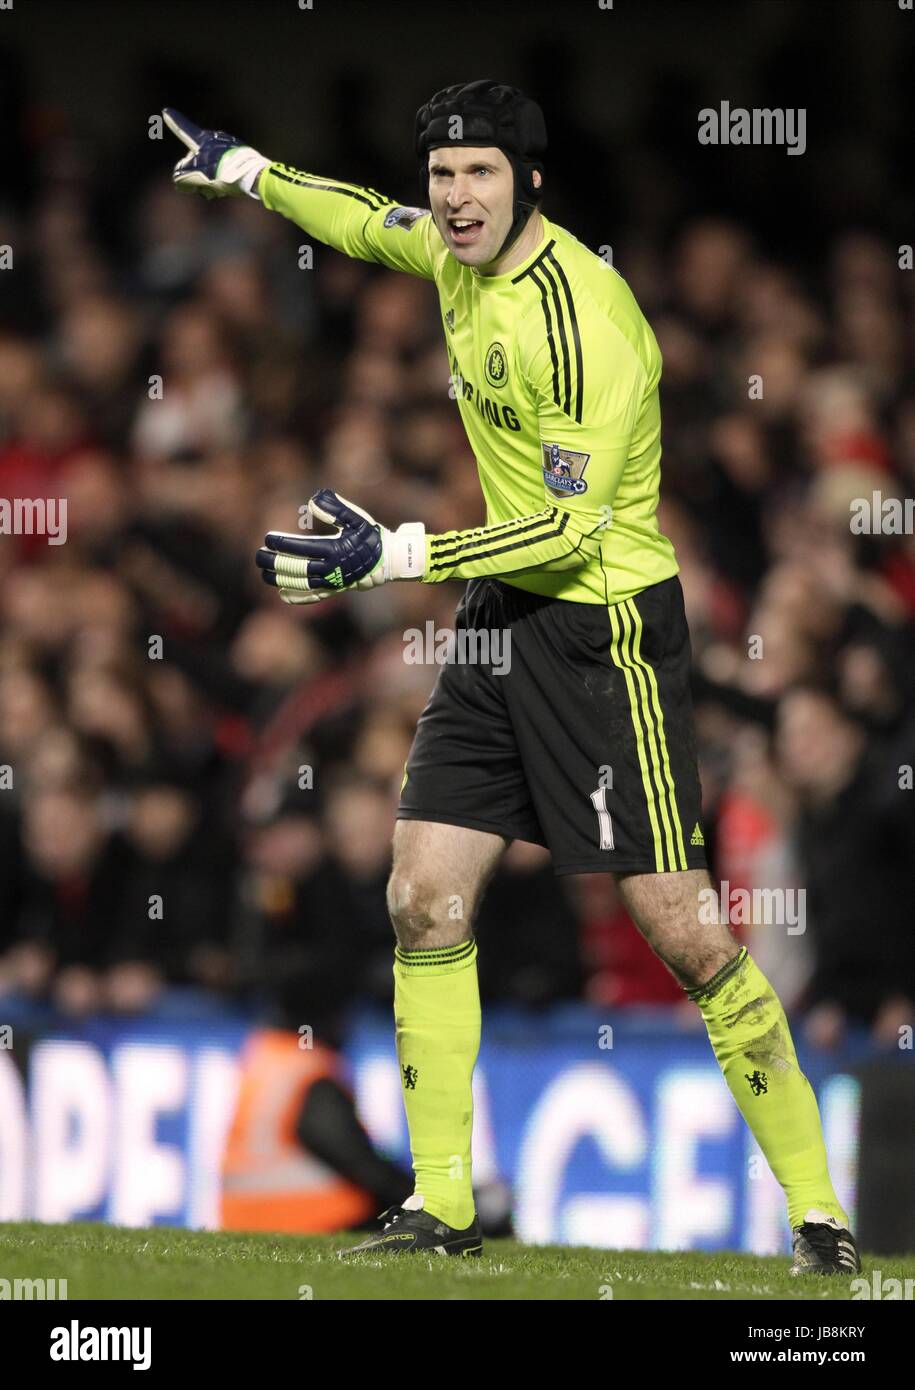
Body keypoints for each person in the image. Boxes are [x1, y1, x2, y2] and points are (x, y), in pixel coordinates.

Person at [164, 82, 858, 1273]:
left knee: (685, 930)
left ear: (530, 181)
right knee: (422, 892)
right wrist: (247, 172)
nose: (455, 199)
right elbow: (361, 219)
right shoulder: (448, 252)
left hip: (606, 632)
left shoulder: (583, 317)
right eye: (444, 177)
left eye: (481, 174)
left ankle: (819, 1215)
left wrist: (396, 553)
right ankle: (442, 1206)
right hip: (500, 622)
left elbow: (569, 528)